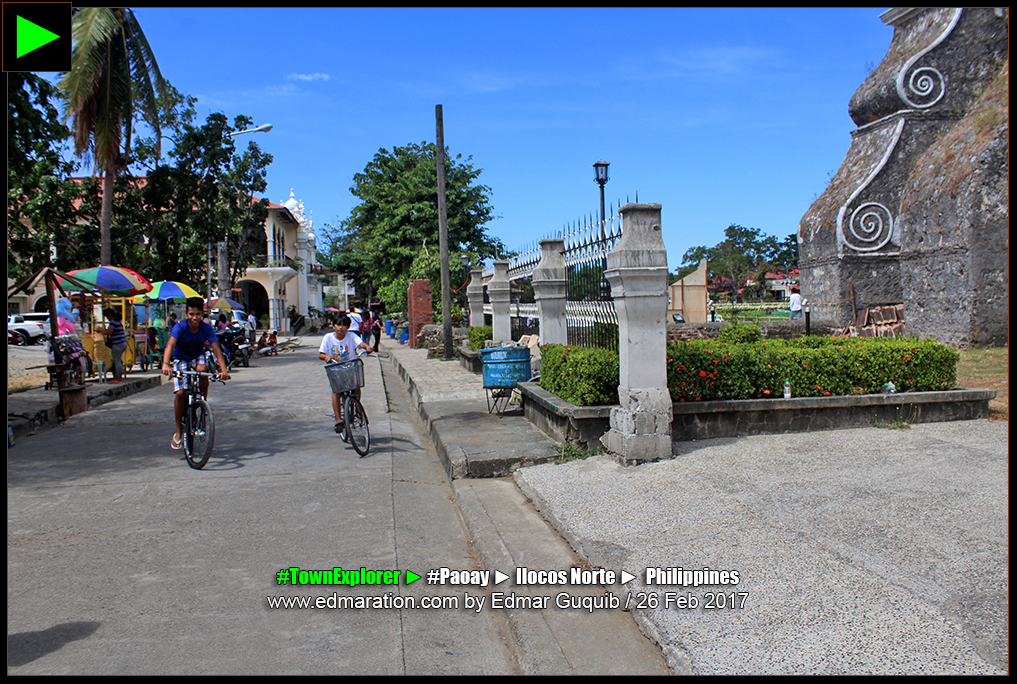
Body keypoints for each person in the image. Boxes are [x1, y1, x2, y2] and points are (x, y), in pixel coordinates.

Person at [162, 297, 230, 451]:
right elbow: (170, 345)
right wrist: (166, 364)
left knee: (202, 371)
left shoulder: (207, 328)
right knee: (180, 393)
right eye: (191, 314)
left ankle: (202, 403)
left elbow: (216, 350)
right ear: (187, 314)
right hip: (181, 358)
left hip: (198, 356)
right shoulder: (180, 327)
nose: (195, 317)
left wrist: (223, 370)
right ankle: (179, 432)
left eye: (198, 314)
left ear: (202, 314)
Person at [319, 313, 373, 434]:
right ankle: (338, 419)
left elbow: (360, 343)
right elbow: (321, 354)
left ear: (348, 327)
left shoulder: (351, 336)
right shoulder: (328, 337)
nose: (341, 328)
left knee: (356, 385)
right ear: (333, 326)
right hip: (336, 369)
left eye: (344, 325)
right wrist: (326, 357)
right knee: (336, 392)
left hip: (350, 367)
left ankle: (357, 406)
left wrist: (367, 347)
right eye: (338, 325)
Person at [96, 308, 128, 384]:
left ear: (110, 315)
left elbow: (109, 332)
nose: (107, 318)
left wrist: (100, 331)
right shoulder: (118, 322)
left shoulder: (113, 323)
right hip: (123, 343)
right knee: (118, 361)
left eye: (107, 317)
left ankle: (118, 378)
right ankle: (118, 377)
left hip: (117, 344)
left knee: (117, 361)